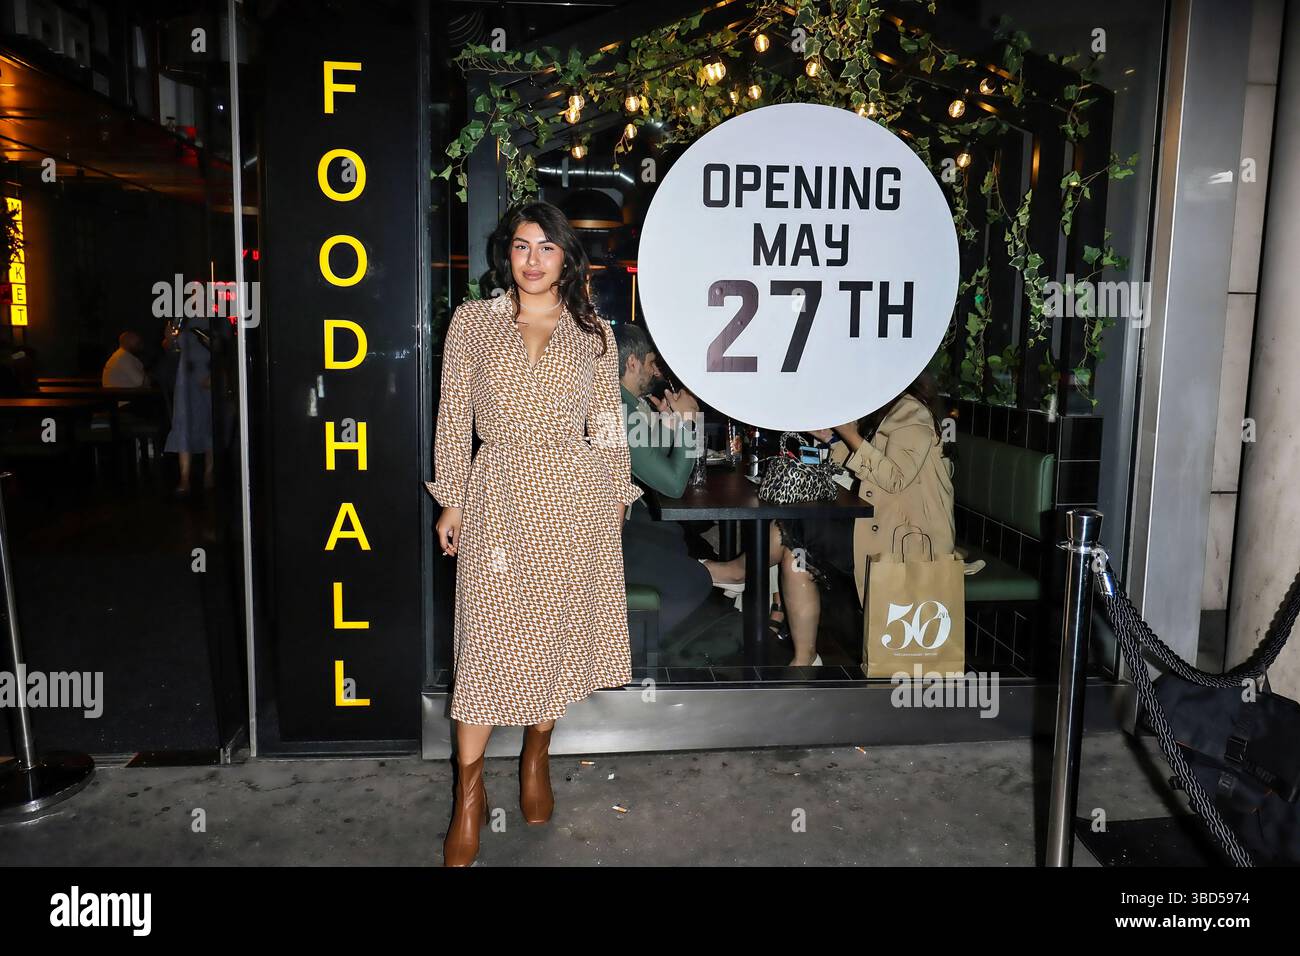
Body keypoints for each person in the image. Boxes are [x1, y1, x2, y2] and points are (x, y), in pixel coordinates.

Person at [427, 201, 643, 867]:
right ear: (507, 254)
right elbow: (452, 414)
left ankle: (537, 754)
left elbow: (607, 422)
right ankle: (468, 792)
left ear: (565, 258)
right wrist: (452, 500)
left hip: (571, 499)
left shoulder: (595, 334)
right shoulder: (473, 323)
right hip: (496, 494)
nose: (532, 259)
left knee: (551, 637)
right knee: (486, 643)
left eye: (546, 248)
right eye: (521, 247)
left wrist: (616, 498)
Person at [701, 374, 955, 665]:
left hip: (905, 539)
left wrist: (850, 433)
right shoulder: (889, 408)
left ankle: (735, 573)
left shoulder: (911, 412)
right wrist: (834, 438)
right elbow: (867, 460)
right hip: (877, 525)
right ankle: (804, 657)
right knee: (796, 554)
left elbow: (895, 478)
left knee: (792, 528)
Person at [612, 321, 713, 637]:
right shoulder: (619, 410)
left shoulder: (629, 404)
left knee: (673, 535)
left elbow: (661, 463)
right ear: (632, 363)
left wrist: (677, 425)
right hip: (605, 537)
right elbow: (672, 483)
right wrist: (686, 424)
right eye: (651, 363)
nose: (656, 373)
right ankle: (624, 651)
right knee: (695, 580)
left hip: (624, 522)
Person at [162, 316, 214, 496]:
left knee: (209, 421)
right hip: (185, 376)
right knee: (183, 422)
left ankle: (209, 472)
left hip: (208, 372)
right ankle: (184, 477)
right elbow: (170, 348)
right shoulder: (182, 319)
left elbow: (227, 348)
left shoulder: (217, 319)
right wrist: (169, 339)